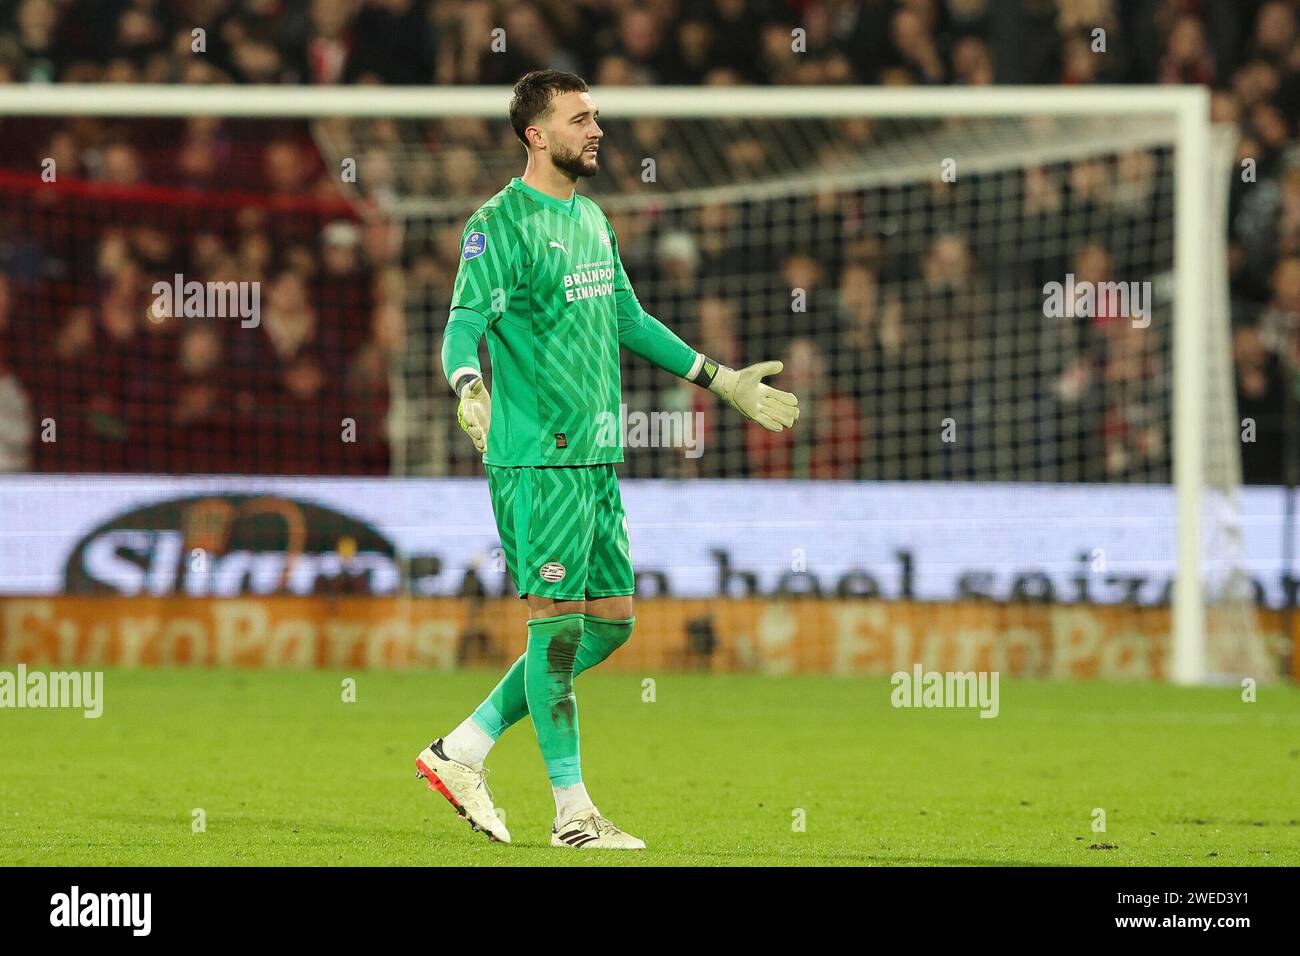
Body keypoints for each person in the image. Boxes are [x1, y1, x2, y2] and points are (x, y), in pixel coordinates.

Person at [418, 71, 799, 850]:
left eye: (597, 115)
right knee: (555, 633)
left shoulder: (591, 219)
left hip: (596, 460)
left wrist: (718, 378)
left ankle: (463, 749)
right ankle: (573, 816)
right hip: (540, 460)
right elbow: (461, 324)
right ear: (537, 134)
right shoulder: (499, 225)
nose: (597, 129)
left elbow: (627, 316)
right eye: (580, 118)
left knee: (614, 626)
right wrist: (469, 387)